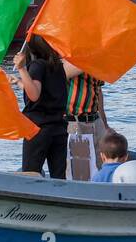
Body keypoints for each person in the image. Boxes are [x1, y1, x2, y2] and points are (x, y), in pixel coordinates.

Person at [14, 33, 69, 178]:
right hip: (58, 127)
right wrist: (19, 82)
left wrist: (22, 69)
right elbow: (46, 93)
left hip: (38, 128)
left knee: (30, 174)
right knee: (59, 176)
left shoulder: (37, 65)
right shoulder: (57, 65)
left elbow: (34, 95)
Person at [64, 60, 107, 181]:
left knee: (101, 166)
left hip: (95, 120)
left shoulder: (97, 60)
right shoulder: (71, 58)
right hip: (75, 121)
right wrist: (87, 63)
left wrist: (105, 123)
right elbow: (60, 74)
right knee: (80, 173)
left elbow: (98, 91)